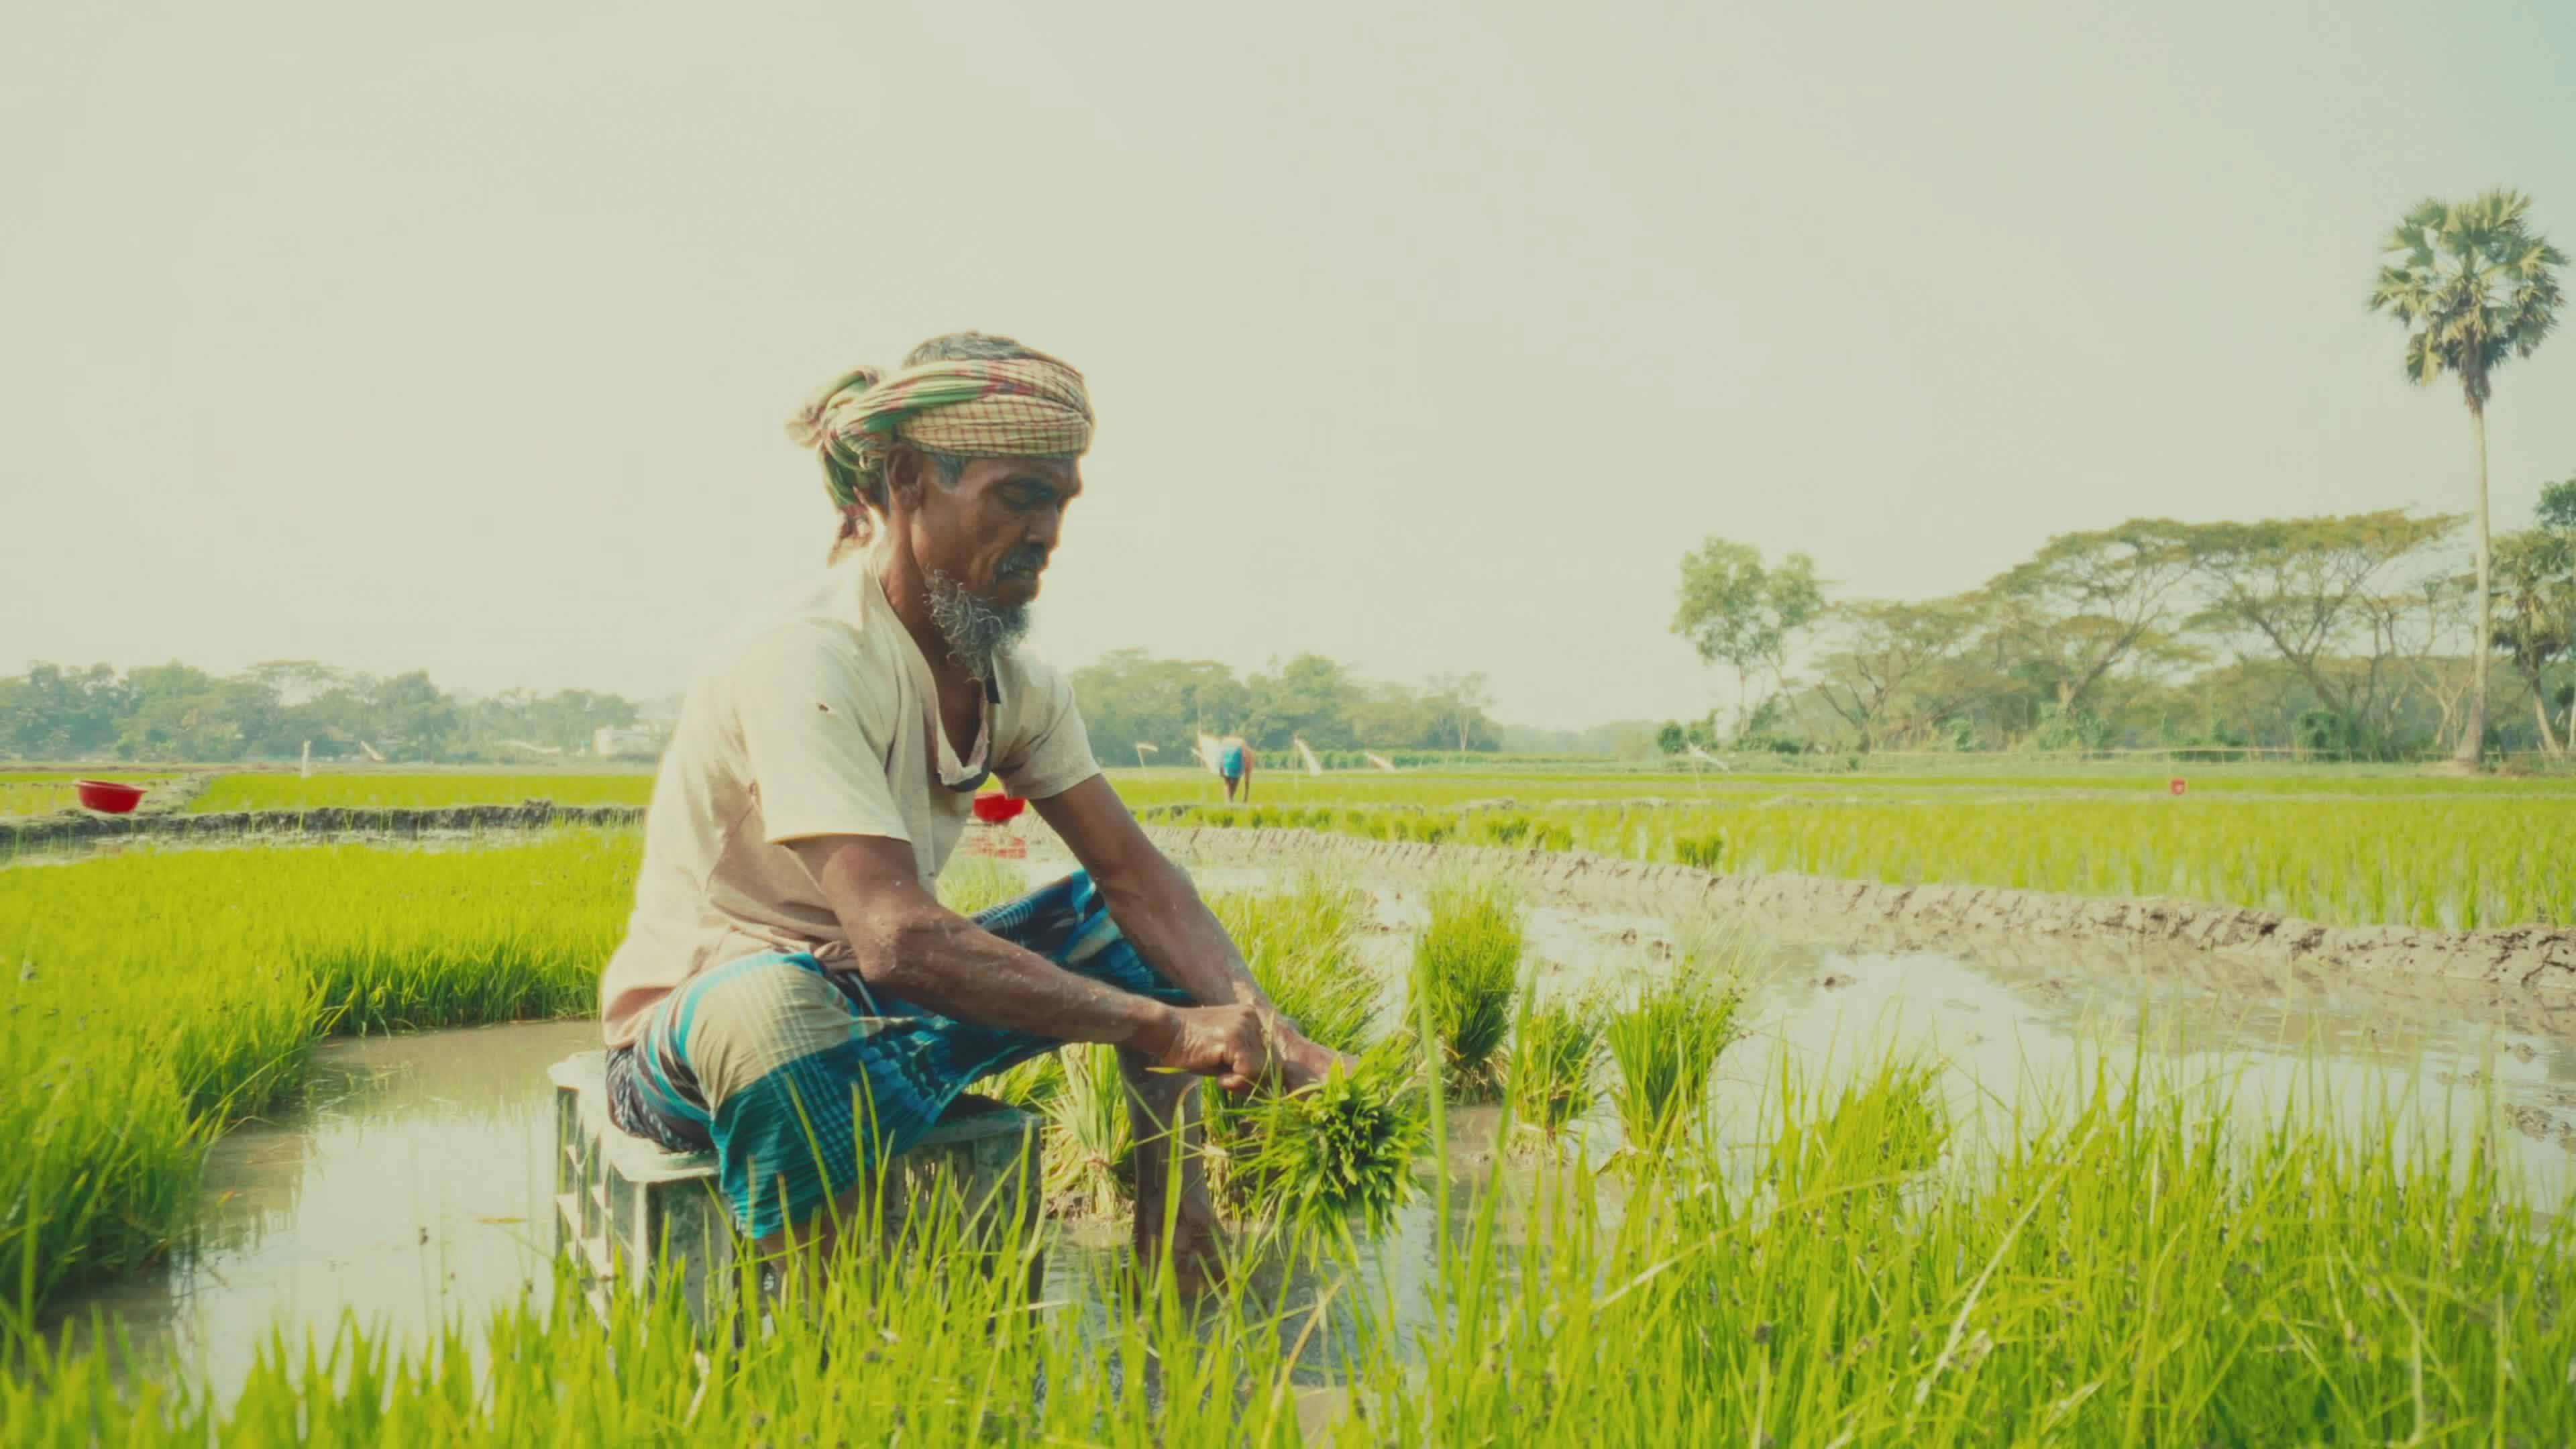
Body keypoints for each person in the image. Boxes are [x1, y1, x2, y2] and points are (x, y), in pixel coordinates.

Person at [597, 332, 1342, 1287]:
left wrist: (1268, 1032)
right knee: (773, 1007)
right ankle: (837, 1343)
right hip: (706, 1032)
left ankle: (1179, 1245)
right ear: (908, 481)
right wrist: (1160, 1028)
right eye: (1016, 497)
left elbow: (1136, 878)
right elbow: (896, 937)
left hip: (873, 1004)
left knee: (1122, 930)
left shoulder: (1014, 682)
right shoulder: (807, 655)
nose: (1047, 534)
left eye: (1059, 501)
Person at [1219, 735, 1254, 802]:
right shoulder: (1242, 743)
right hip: (1237, 763)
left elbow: (1220, 755)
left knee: (1227, 783)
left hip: (1226, 762)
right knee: (1235, 782)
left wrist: (1221, 767)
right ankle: (1230, 800)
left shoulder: (1225, 741)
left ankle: (1228, 800)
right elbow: (1244, 756)